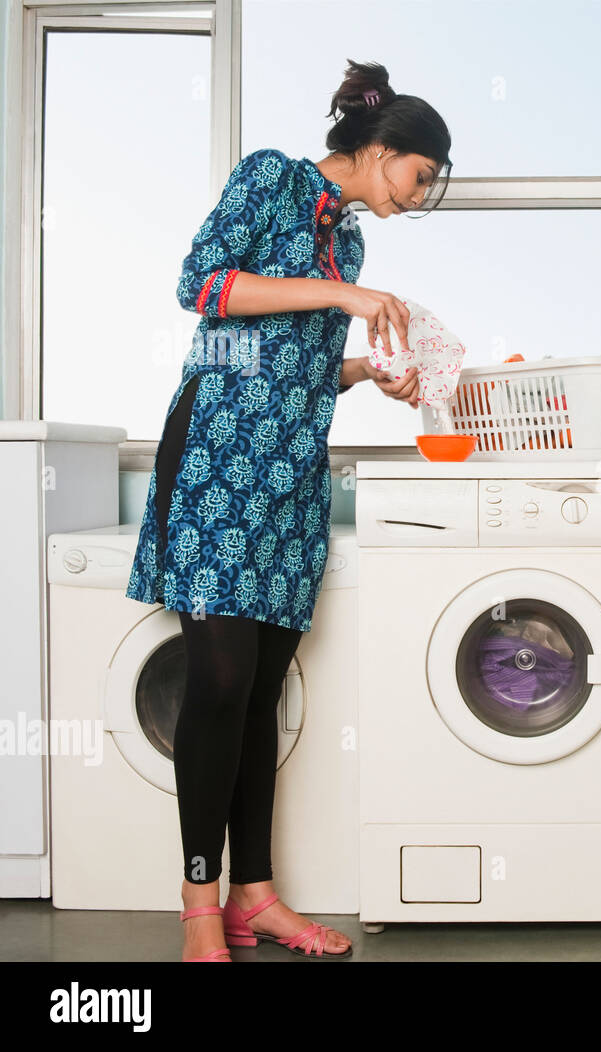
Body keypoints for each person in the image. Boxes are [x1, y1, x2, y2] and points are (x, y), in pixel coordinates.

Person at [124, 59, 451, 962]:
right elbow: (204, 287)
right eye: (417, 178)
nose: (417, 198)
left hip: (289, 474)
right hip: (218, 455)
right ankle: (199, 907)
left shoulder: (347, 244)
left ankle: (254, 898)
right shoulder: (273, 176)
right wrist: (343, 298)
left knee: (262, 690)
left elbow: (294, 363)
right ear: (380, 151)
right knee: (220, 682)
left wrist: (366, 373)